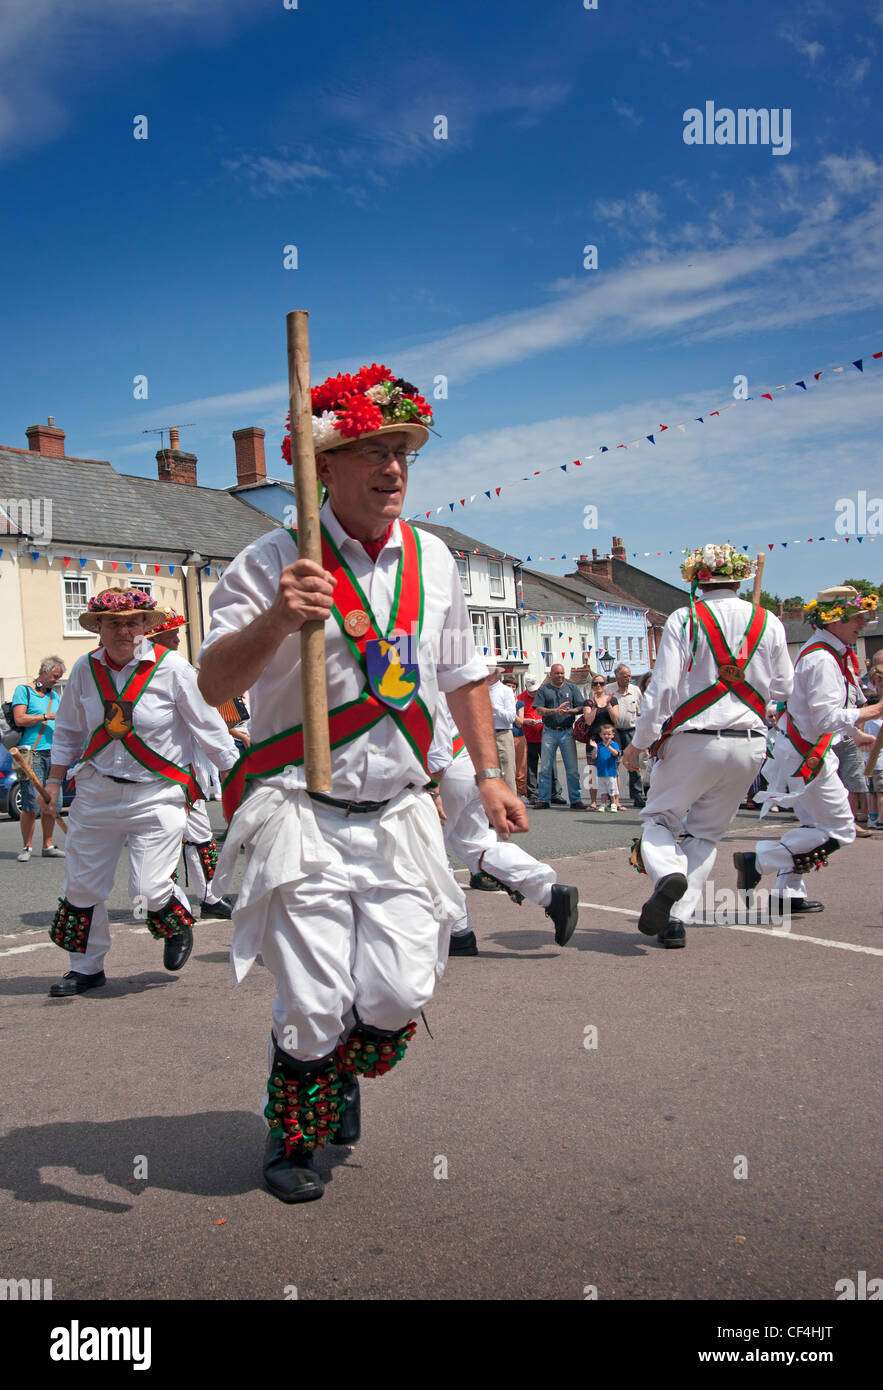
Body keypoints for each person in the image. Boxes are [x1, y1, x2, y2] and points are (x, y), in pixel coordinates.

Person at [197, 363, 526, 1204]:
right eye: (370, 452)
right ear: (321, 468)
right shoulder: (270, 557)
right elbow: (211, 685)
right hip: (298, 810)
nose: (391, 469)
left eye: (402, 453)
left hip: (401, 812)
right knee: (311, 1003)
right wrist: (279, 615)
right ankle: (293, 1133)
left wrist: (488, 774)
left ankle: (339, 1070)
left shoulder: (436, 558)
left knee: (395, 994)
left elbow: (464, 675)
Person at [41, 588, 241, 997]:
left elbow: (210, 728)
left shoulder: (172, 668)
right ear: (98, 628)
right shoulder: (83, 669)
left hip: (157, 793)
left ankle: (177, 918)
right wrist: (54, 780)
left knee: (149, 889)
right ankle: (86, 967)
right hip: (96, 794)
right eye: (114, 622)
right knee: (81, 887)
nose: (124, 630)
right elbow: (68, 731)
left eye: (133, 622)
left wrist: (240, 782)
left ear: (147, 627)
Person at [622, 545, 793, 947]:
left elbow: (662, 689)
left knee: (660, 820)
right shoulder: (768, 621)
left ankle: (667, 876)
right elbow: (785, 687)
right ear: (740, 578)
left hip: (693, 740)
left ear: (695, 578)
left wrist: (639, 744)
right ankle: (675, 920)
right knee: (706, 834)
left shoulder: (685, 618)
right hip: (750, 743)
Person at [734, 586, 882, 914]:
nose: (862, 623)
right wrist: (873, 712)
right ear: (834, 622)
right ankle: (759, 860)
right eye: (855, 618)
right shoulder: (822, 660)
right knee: (841, 830)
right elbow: (826, 716)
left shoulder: (826, 653)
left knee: (815, 826)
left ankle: (788, 892)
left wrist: (855, 732)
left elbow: (815, 714)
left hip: (803, 752)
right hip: (809, 757)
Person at [428, 694, 578, 955]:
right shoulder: (451, 664)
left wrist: (433, 786)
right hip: (467, 758)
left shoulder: (413, 658)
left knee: (430, 852)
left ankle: (457, 930)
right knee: (476, 843)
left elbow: (434, 726)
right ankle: (548, 893)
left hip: (442, 765)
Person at [147, 609, 242, 918]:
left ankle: (208, 897)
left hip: (183, 771)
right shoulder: (161, 670)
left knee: (199, 833)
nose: (178, 638)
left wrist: (227, 759)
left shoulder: (177, 667)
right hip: (154, 771)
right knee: (156, 839)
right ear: (153, 636)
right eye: (171, 633)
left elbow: (207, 719)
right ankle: (159, 903)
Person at [12, 657, 66, 861]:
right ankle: (26, 847)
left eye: (59, 678)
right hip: (30, 754)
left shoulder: (54, 696)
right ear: (44, 672)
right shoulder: (24, 691)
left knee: (52, 802)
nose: (56, 681)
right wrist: (46, 717)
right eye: (54, 677)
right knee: (29, 803)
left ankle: (48, 844)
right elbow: (20, 719)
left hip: (53, 752)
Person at [532, 664, 589, 809]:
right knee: (545, 767)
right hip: (549, 731)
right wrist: (555, 711)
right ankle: (543, 799)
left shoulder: (572, 688)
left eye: (562, 673)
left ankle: (575, 799)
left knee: (572, 768)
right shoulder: (544, 690)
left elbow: (581, 707)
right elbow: (539, 709)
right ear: (551, 674)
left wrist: (570, 711)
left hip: (567, 731)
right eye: (557, 673)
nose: (560, 676)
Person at [606, 664, 645, 806]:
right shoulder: (609, 689)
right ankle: (613, 796)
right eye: (625, 676)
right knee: (612, 764)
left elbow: (641, 712)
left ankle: (637, 795)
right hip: (614, 731)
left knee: (633, 763)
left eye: (629, 675)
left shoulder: (635, 690)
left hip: (631, 730)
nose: (628, 678)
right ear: (617, 677)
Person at [487, 663, 517, 793]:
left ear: (495, 673)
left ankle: (511, 806)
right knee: (489, 774)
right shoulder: (481, 690)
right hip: (486, 735)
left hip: (502, 734)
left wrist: (494, 707)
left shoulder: (506, 691)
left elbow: (511, 717)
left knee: (507, 772)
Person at [589, 723, 622, 812]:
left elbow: (616, 754)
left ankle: (614, 804)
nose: (606, 736)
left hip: (611, 773)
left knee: (612, 790)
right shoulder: (599, 745)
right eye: (604, 734)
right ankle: (603, 804)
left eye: (609, 734)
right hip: (601, 773)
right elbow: (593, 757)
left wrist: (608, 746)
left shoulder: (614, 744)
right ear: (600, 735)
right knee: (603, 791)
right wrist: (595, 748)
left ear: (612, 735)